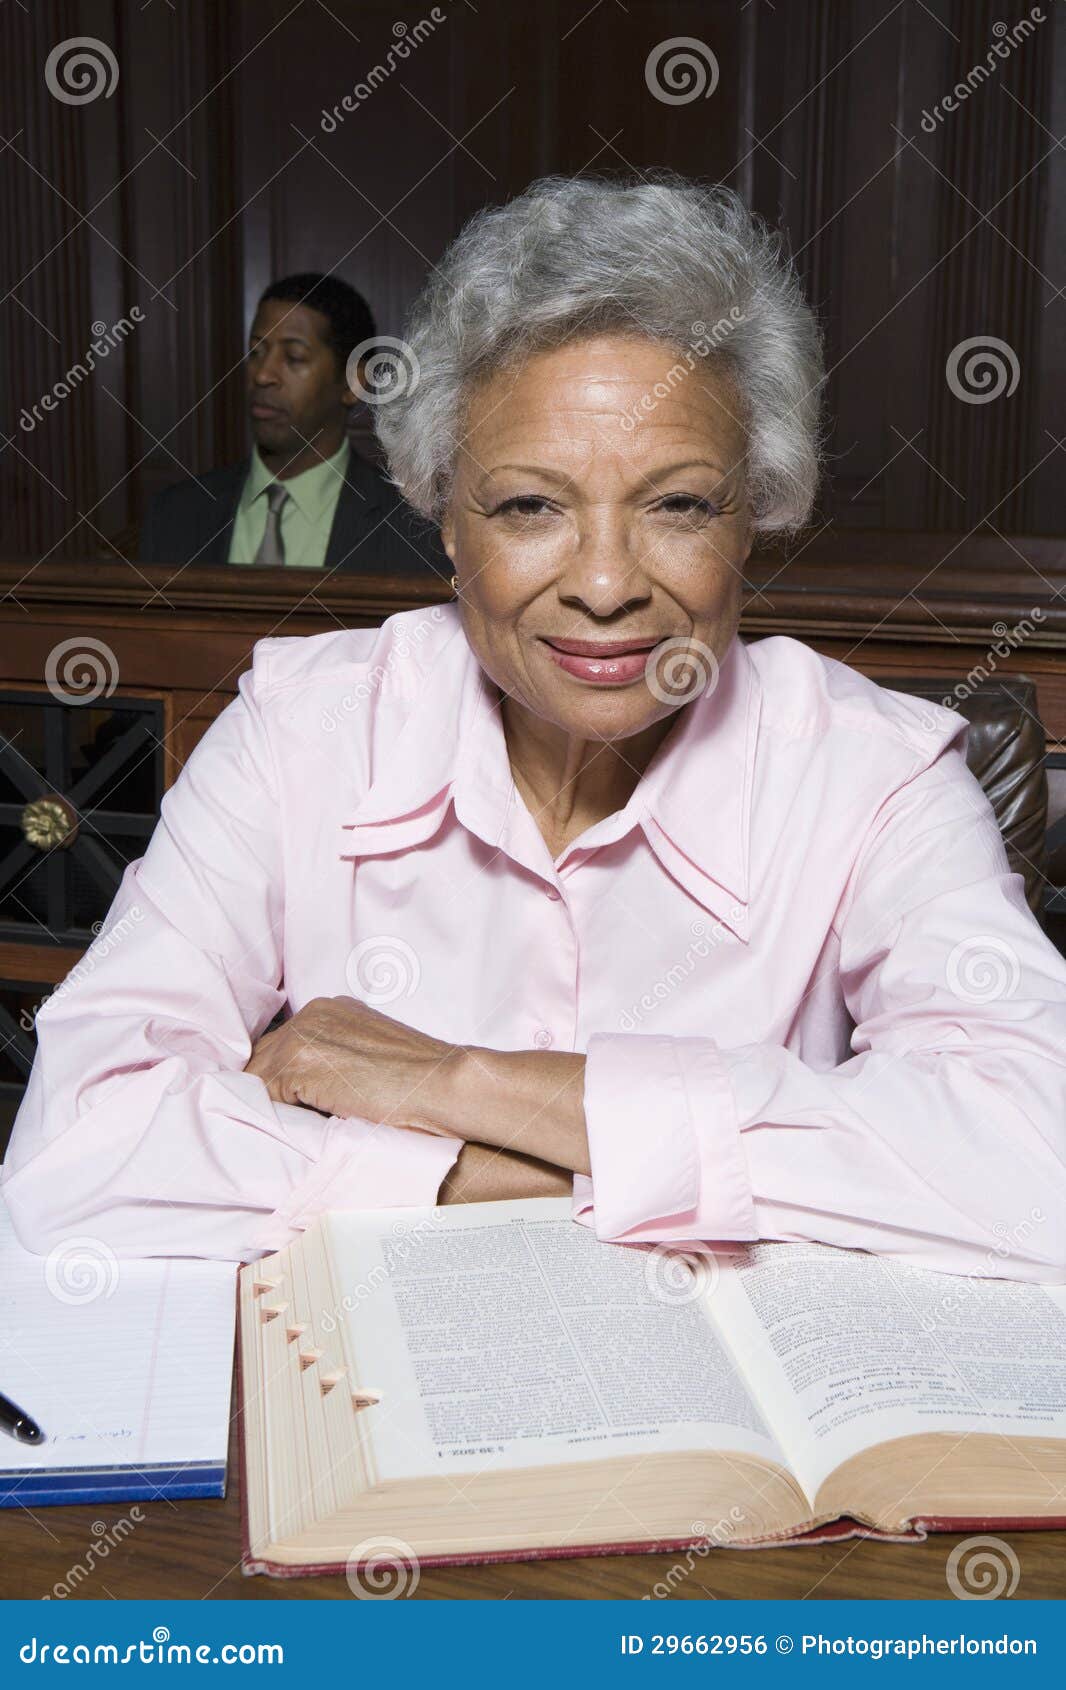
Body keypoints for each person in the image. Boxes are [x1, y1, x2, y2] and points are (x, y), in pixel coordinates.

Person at [5, 174, 1065, 1279]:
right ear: (441, 516)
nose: (605, 584)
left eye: (678, 504)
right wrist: (514, 1175)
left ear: (756, 512)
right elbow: (75, 1149)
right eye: (528, 507)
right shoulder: (300, 731)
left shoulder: (875, 774)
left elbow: (1039, 1165)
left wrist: (454, 1082)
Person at [138, 272, 447, 579]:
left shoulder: (412, 529)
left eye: (294, 357)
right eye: (256, 352)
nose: (263, 375)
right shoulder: (173, 516)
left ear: (354, 381)